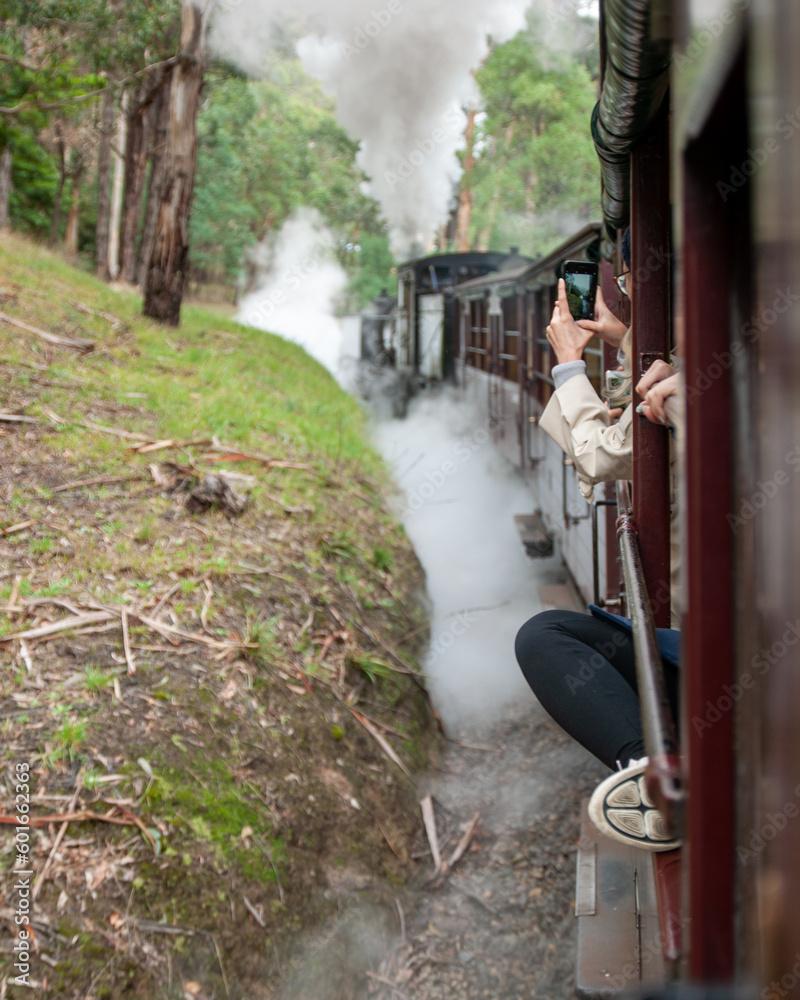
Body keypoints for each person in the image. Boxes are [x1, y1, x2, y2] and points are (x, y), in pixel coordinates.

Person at [515, 231, 682, 852]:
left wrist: (566, 366)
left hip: (711, 648)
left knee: (541, 636)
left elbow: (600, 457)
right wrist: (622, 340)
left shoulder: (685, 384)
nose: (635, 302)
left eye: (637, 289)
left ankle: (652, 779)